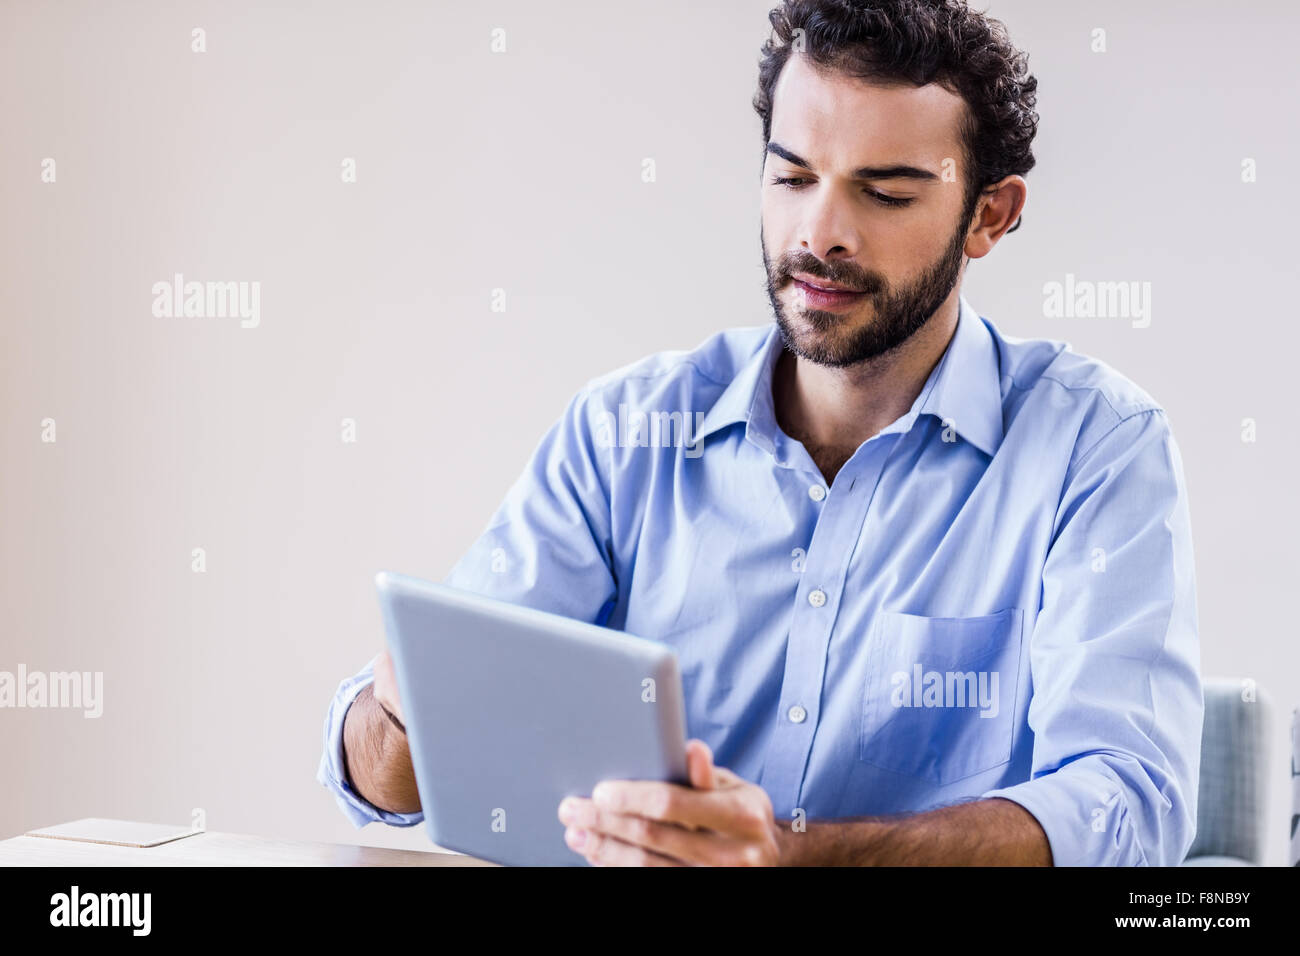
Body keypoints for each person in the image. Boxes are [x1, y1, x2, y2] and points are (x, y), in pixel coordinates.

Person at [318, 0, 1202, 866]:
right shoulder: (625, 432)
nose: (821, 234)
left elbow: (1129, 804)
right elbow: (399, 784)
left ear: (989, 216)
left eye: (886, 192)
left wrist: (793, 857)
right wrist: (400, 714)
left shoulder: (1095, 446)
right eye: (792, 178)